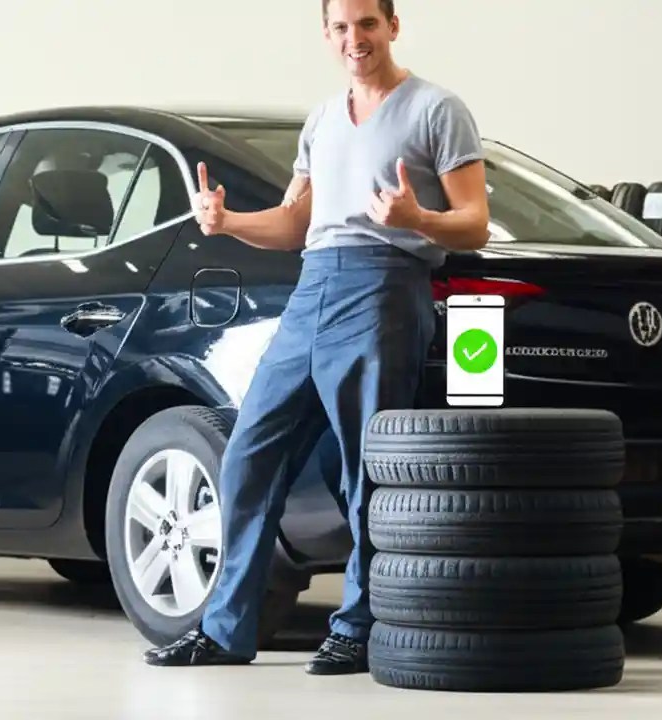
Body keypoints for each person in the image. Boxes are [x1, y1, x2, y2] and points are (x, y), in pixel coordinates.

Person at [142, 0, 491, 675]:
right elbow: (295, 223)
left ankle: (359, 625)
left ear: (393, 26)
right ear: (326, 35)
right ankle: (225, 630)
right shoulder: (324, 118)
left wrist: (419, 217)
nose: (354, 39)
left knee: (363, 469)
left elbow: (474, 221)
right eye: (340, 27)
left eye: (367, 23)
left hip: (384, 287)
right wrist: (227, 223)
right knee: (248, 452)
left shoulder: (435, 109)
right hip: (313, 288)